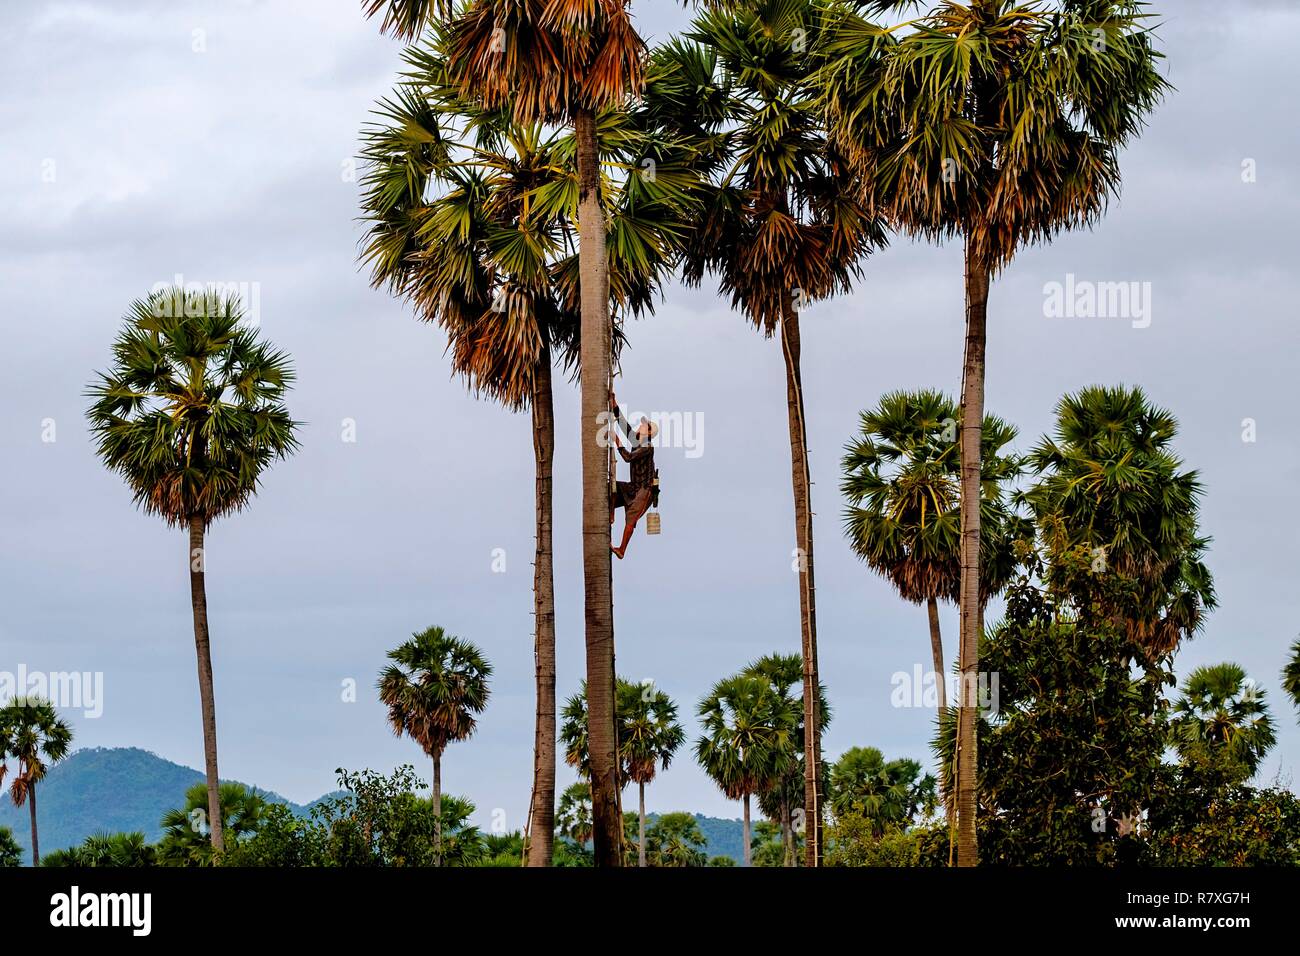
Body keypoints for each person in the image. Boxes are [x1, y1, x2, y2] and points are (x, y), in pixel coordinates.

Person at [608, 390, 657, 559]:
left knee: (631, 519)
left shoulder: (647, 446)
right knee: (611, 487)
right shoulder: (637, 442)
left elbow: (628, 458)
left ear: (648, 432)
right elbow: (623, 424)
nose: (640, 425)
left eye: (644, 425)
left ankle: (621, 550)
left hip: (644, 490)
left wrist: (618, 443)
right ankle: (611, 514)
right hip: (634, 487)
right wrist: (614, 404)